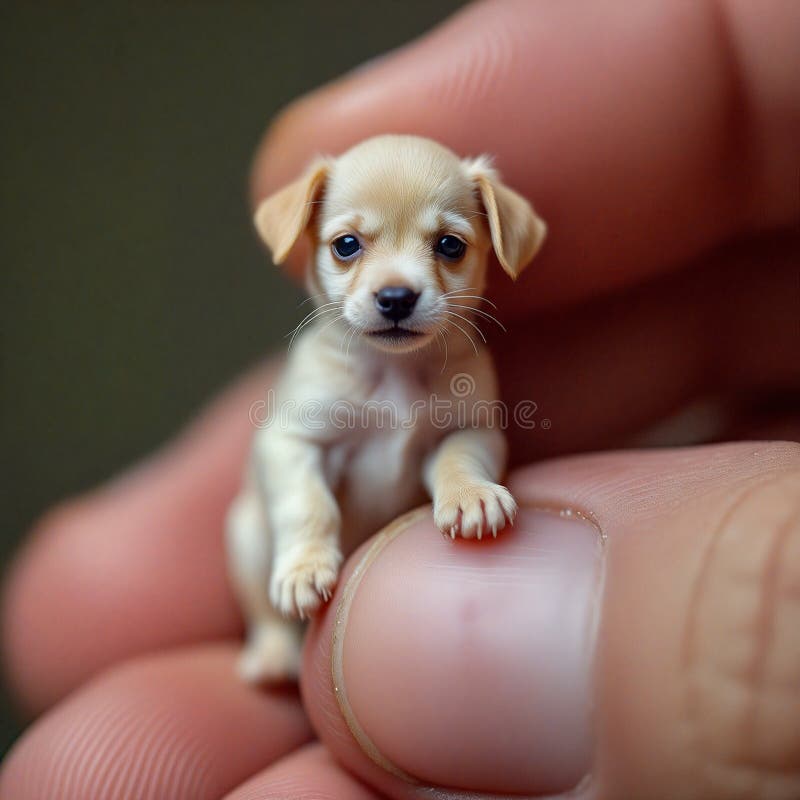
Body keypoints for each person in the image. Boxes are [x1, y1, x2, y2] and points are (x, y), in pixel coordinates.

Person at [2, 1, 798, 797]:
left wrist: (461, 479)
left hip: (395, 580)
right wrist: (307, 543)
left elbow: (473, 438)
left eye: (446, 246)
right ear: (305, 240)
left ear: (493, 242)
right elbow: (285, 447)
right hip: (301, 568)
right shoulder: (321, 370)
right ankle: (275, 631)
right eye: (350, 246)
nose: (395, 283)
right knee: (248, 529)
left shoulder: (466, 367)